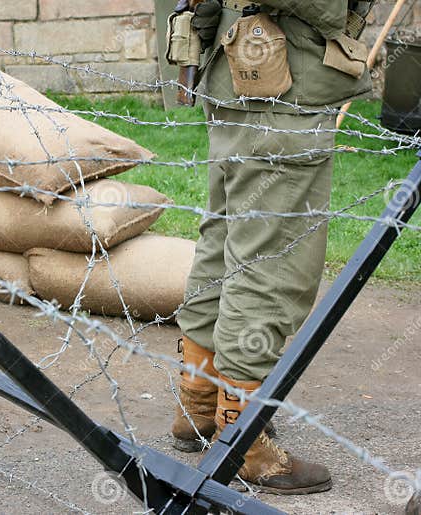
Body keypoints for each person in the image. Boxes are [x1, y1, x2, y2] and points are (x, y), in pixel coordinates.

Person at [170, 0, 372, 494]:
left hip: (243, 72)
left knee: (225, 242)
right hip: (281, 85)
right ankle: (244, 442)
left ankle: (201, 404)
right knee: (272, 265)